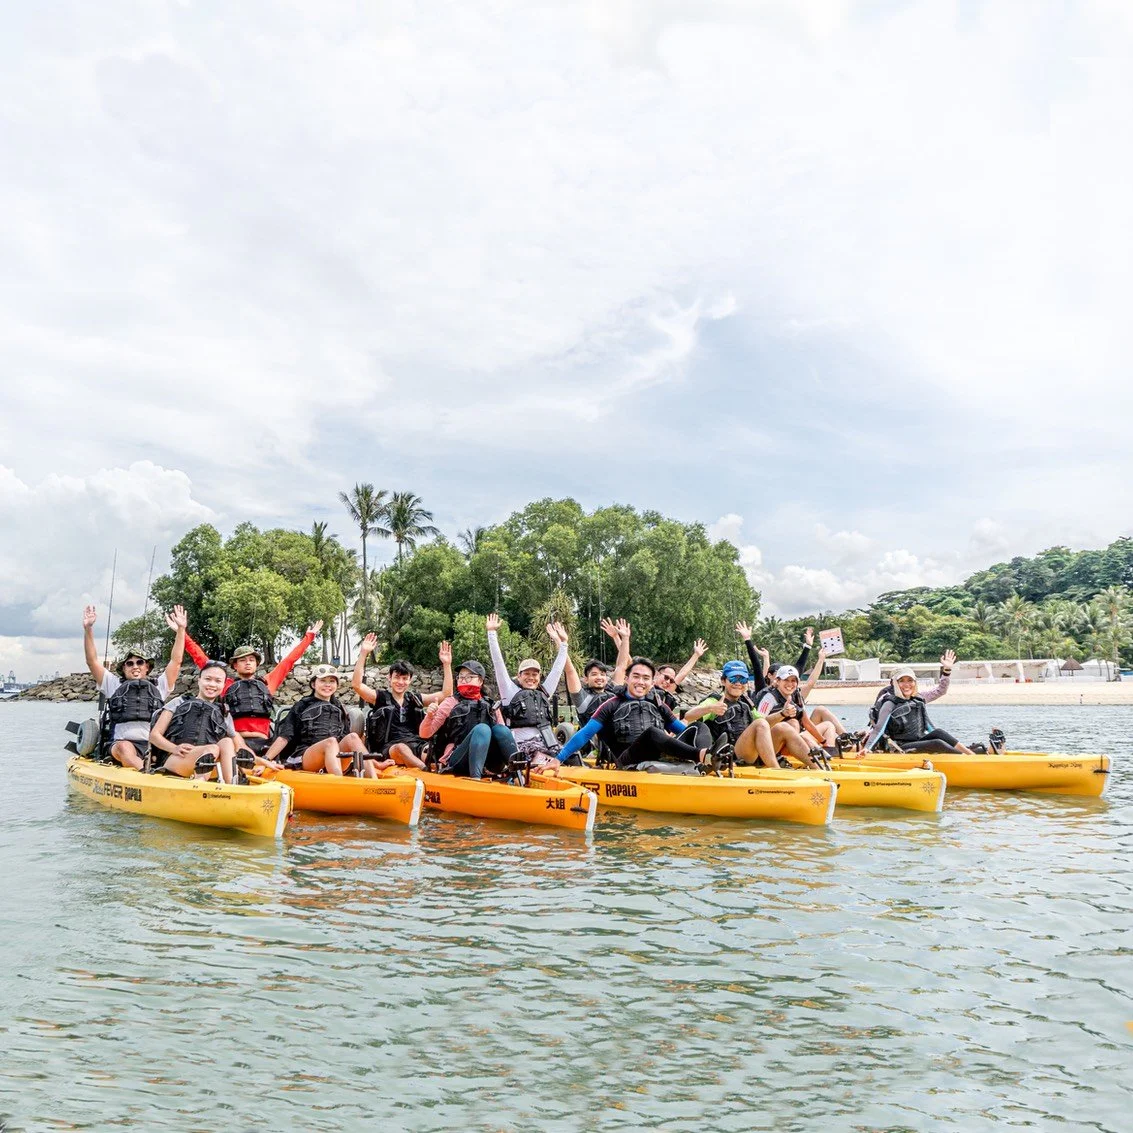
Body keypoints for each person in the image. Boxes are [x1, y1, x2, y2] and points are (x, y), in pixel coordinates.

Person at [183, 621, 323, 762]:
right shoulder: (225, 684)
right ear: (235, 665)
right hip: (235, 742)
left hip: (265, 743)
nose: (248, 663)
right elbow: (201, 659)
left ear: (256, 664)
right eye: (243, 660)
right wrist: (182, 632)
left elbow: (289, 661)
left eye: (251, 660)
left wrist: (309, 636)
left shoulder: (268, 682)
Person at [81, 604, 188, 769]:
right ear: (124, 668)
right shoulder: (113, 684)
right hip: (121, 745)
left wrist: (181, 630)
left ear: (147, 667)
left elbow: (176, 661)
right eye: (129, 663)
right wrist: (88, 629)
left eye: (140, 662)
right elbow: (92, 661)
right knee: (125, 748)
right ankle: (146, 775)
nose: (135, 666)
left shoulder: (159, 686)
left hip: (152, 745)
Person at [555, 657, 709, 771]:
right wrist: (558, 759)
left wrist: (688, 743)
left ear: (652, 683)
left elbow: (683, 731)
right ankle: (700, 755)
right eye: (636, 677)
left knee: (699, 727)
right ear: (627, 679)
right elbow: (584, 734)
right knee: (652, 733)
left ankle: (706, 761)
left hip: (658, 754)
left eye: (646, 678)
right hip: (628, 760)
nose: (640, 682)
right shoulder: (611, 704)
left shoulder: (658, 705)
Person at [261, 664, 385, 777]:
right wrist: (265, 760)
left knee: (352, 737)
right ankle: (339, 784)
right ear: (313, 684)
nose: (327, 685)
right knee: (330, 742)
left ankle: (374, 785)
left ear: (337, 685)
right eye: (323, 681)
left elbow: (347, 740)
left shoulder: (340, 708)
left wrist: (376, 763)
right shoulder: (302, 706)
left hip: (336, 756)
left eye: (332, 681)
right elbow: (284, 737)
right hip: (308, 756)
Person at [352, 634, 453, 769]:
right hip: (390, 748)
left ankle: (435, 767)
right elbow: (357, 685)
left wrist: (447, 664)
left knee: (432, 750)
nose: (400, 682)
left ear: (410, 680)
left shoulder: (414, 699)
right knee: (401, 748)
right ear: (389, 678)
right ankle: (425, 771)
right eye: (397, 677)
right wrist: (364, 653)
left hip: (416, 744)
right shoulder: (380, 697)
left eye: (405, 678)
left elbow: (446, 695)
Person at [487, 613, 569, 771]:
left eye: (534, 674)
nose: (531, 678)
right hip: (520, 748)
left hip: (545, 744)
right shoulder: (509, 691)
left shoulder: (543, 693)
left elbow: (558, 669)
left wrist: (564, 642)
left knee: (570, 756)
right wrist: (491, 632)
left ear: (539, 677)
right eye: (527, 674)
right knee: (539, 759)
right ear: (519, 676)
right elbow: (498, 663)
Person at [419, 659, 518, 779]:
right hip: (459, 759)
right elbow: (424, 734)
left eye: (469, 677)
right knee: (482, 729)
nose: (463, 680)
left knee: (501, 730)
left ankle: (518, 775)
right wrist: (429, 716)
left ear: (480, 681)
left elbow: (504, 737)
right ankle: (475, 778)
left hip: (489, 762)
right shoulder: (451, 702)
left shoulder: (490, 704)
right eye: (461, 677)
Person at [862, 651, 974, 754]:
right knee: (937, 743)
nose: (907, 684)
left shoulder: (918, 698)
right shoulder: (889, 703)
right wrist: (867, 748)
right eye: (901, 681)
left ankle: (970, 755)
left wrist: (947, 670)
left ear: (915, 682)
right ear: (894, 683)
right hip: (899, 746)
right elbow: (879, 729)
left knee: (939, 733)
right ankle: (964, 758)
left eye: (910, 680)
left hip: (918, 741)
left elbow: (940, 692)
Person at [148, 660, 241, 782]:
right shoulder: (179, 702)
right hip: (178, 758)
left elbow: (238, 746)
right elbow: (154, 736)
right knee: (212, 749)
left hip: (210, 761)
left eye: (218, 681)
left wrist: (260, 761)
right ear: (199, 680)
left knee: (227, 742)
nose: (212, 684)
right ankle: (198, 784)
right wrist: (174, 748)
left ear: (224, 685)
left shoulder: (223, 712)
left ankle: (232, 785)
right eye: (208, 679)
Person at [682, 660, 778, 767]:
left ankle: (782, 766)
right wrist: (710, 709)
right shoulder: (714, 701)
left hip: (748, 751)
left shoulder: (746, 704)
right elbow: (688, 716)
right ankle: (776, 769)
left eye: (742, 679)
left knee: (783, 727)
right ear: (723, 681)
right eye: (733, 679)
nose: (738, 683)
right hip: (729, 756)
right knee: (760, 724)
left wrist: (783, 713)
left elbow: (765, 722)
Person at [754, 666, 831, 768]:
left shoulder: (796, 696)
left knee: (828, 725)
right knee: (792, 723)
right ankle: (817, 763)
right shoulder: (769, 698)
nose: (790, 684)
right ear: (777, 681)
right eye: (786, 680)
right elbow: (759, 724)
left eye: (793, 680)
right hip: (768, 746)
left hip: (790, 741)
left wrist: (823, 741)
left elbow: (806, 722)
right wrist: (782, 714)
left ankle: (828, 754)